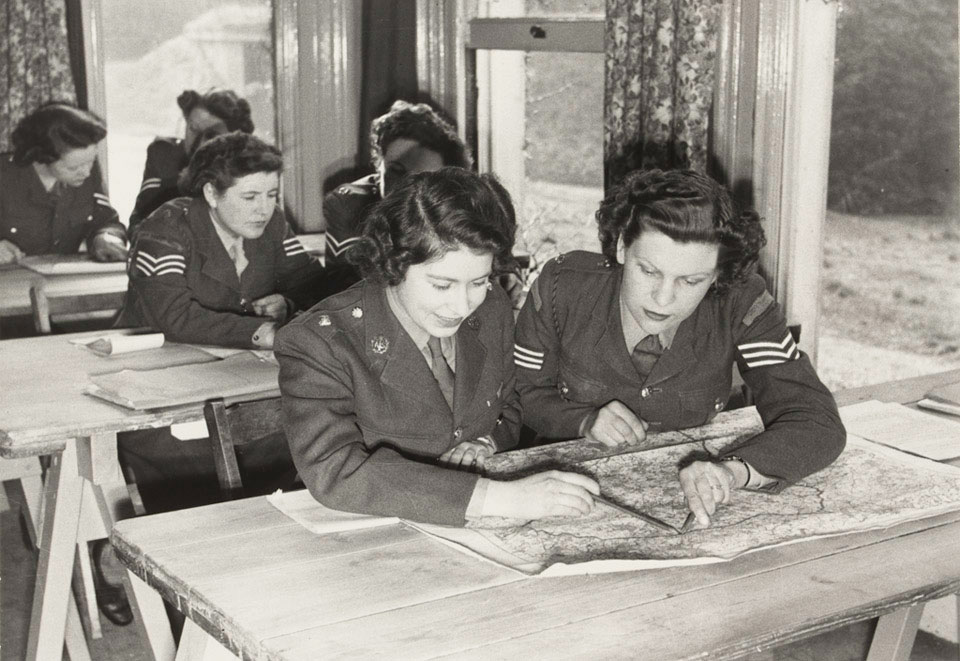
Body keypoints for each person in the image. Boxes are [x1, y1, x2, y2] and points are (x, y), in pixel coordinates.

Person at [514, 169, 845, 529]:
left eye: (691, 280)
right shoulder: (563, 288)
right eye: (649, 271)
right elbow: (520, 394)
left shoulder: (742, 302)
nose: (664, 298)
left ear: (718, 273)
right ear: (623, 247)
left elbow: (816, 421)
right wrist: (583, 420)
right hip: (564, 497)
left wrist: (733, 472)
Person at [276, 168, 600, 526]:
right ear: (394, 262)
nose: (462, 306)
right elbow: (333, 470)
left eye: (477, 282)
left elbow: (508, 406)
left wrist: (486, 443)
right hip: (359, 531)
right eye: (442, 285)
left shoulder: (492, 310)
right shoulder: (321, 341)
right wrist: (498, 497)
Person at [117, 131, 321, 348]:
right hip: (147, 355)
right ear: (211, 194)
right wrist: (262, 332)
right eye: (249, 197)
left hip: (231, 360)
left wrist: (288, 303)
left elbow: (314, 281)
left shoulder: (272, 223)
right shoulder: (165, 230)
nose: (264, 209)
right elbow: (174, 317)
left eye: (271, 195)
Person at [322, 100, 473, 287]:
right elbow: (348, 285)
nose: (406, 187)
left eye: (421, 177)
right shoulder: (347, 204)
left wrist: (504, 272)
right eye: (396, 171)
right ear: (379, 164)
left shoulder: (458, 202)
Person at [0, 102, 127, 264]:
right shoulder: (4, 178)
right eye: (73, 167)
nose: (86, 172)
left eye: (91, 161)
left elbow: (106, 221)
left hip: (63, 283)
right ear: (41, 159)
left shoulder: (86, 172)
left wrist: (106, 238)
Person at [128, 89, 254, 235]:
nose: (198, 143)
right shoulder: (165, 155)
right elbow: (139, 226)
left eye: (212, 135)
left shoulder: (252, 169)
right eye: (193, 128)